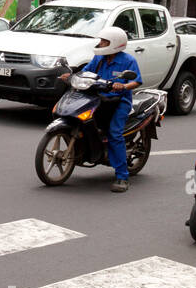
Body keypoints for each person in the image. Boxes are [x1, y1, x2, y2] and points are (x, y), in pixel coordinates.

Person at [60, 26, 141, 193]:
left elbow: (137, 81)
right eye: (101, 41)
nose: (101, 43)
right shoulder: (99, 59)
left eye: (104, 41)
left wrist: (124, 85)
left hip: (120, 101)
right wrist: (71, 76)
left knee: (114, 133)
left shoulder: (128, 60)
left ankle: (122, 176)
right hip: (98, 98)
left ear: (115, 43)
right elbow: (85, 72)